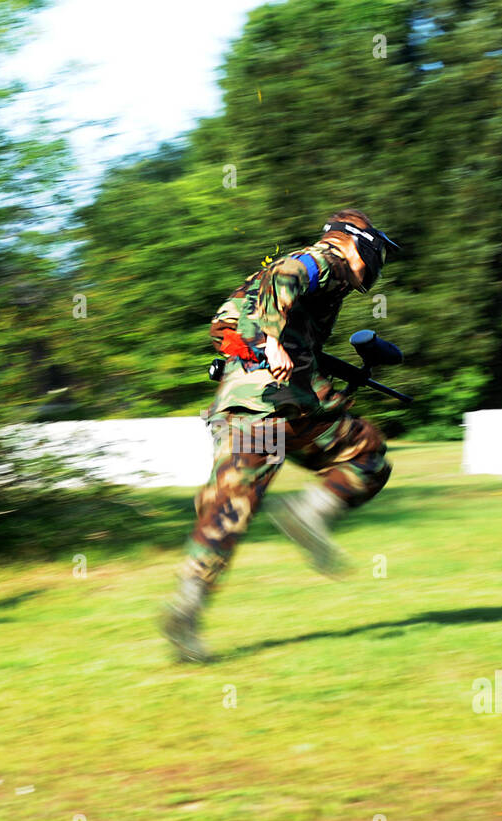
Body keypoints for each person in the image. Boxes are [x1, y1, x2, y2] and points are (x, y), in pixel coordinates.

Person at [161, 209, 399, 662]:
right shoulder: (322, 260)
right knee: (367, 453)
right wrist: (272, 342)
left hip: (247, 410)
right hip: (286, 407)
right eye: (377, 251)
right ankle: (311, 512)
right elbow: (285, 274)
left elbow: (225, 328)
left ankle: (186, 607)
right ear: (354, 240)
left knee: (230, 506)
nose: (378, 262)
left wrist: (287, 349)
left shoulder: (300, 287)